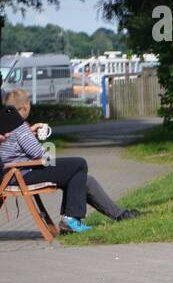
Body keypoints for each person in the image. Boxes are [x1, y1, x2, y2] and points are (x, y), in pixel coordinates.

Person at [3, 89, 142, 224]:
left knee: (84, 180)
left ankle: (120, 215)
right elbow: (43, 156)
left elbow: (20, 149)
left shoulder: (7, 126)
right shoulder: (20, 128)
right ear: (24, 107)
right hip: (22, 174)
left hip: (15, 173)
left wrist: (30, 133)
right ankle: (72, 219)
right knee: (79, 164)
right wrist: (44, 140)